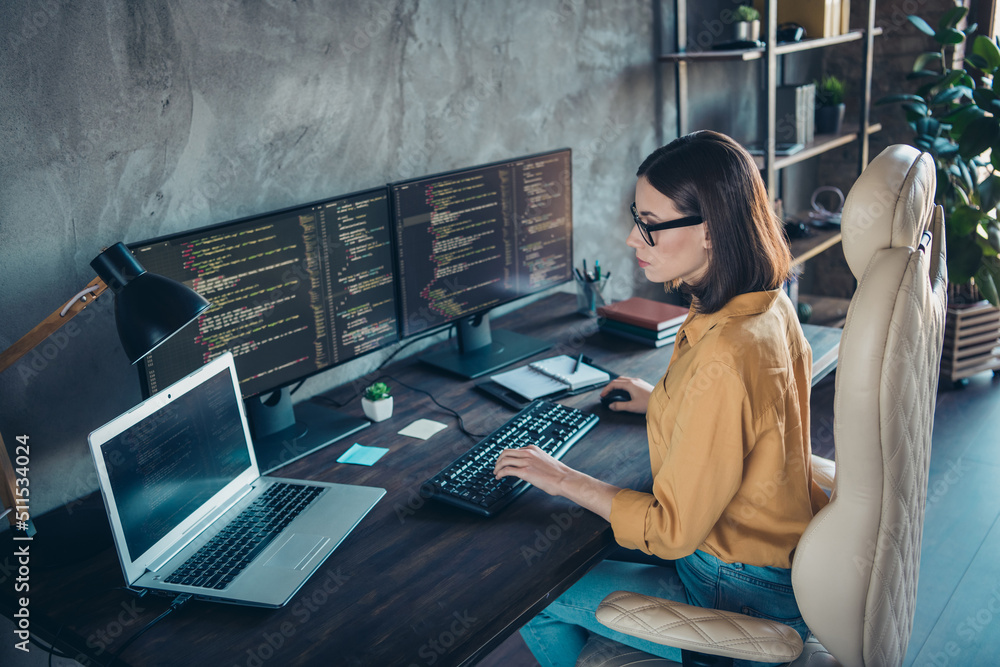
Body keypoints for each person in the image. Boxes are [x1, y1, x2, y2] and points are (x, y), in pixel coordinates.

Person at [493, 130, 830, 667]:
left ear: (710, 231)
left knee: (527, 597)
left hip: (736, 588)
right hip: (773, 560)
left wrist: (562, 478)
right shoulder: (763, 303)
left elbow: (670, 531)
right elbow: (750, 416)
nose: (633, 238)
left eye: (649, 224)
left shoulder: (725, 355)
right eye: (637, 217)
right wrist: (664, 402)